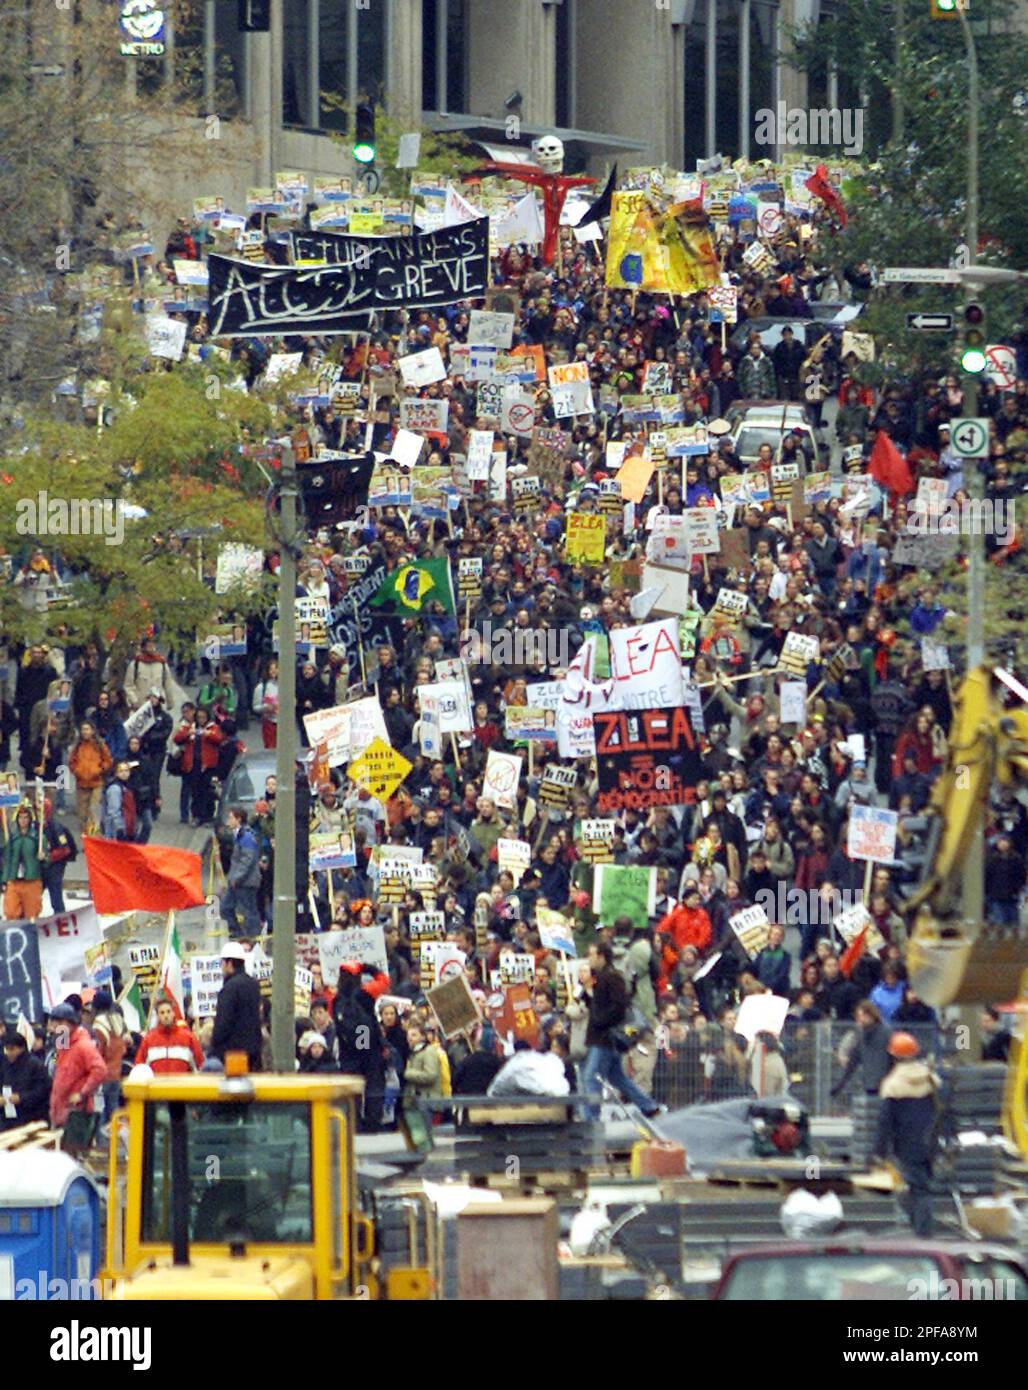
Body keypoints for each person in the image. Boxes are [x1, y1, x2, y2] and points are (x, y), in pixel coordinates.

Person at [580, 941, 661, 1118]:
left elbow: (618, 1005)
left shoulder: (612, 977)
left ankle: (591, 1119)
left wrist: (602, 1020)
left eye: (591, 954)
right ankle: (648, 1106)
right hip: (602, 1036)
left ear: (601, 956)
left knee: (591, 1077)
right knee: (618, 1078)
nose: (589, 959)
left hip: (605, 1037)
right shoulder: (600, 977)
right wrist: (586, 992)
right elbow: (596, 1004)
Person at [873, 1032, 940, 1238]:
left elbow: (885, 1122)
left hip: (906, 1144)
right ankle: (922, 1228)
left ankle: (922, 1234)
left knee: (915, 1190)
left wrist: (879, 1151)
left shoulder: (892, 1084)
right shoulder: (929, 1078)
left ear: (894, 1056)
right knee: (922, 1187)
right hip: (930, 1143)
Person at [48, 1002, 106, 1156]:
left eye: (60, 1022)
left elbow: (100, 1069)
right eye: (54, 1022)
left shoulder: (83, 1045)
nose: (56, 1027)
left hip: (76, 1114)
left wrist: (82, 1093)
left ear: (71, 1023)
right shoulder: (63, 1044)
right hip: (61, 1112)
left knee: (73, 1158)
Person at [211, 943, 263, 1070]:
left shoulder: (230, 988)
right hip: (253, 1052)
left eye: (222, 963)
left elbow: (223, 1022)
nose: (221, 967)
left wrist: (214, 1043)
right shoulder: (253, 985)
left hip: (232, 1054)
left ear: (229, 964)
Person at [830, 1000, 893, 1098]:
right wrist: (840, 1085)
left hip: (887, 1085)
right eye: (858, 1016)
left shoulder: (886, 1032)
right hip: (869, 1083)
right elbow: (853, 1062)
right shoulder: (861, 1034)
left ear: (871, 1015)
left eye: (863, 1015)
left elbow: (894, 1058)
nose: (860, 1019)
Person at [2, 803, 48, 922]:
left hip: (31, 881)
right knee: (11, 912)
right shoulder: (12, 838)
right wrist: (4, 879)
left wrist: (43, 857)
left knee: (32, 914)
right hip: (14, 880)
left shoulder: (38, 838)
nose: (23, 820)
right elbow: (8, 860)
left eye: (26, 817)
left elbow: (47, 862)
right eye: (20, 817)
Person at [221, 807, 262, 937]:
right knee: (225, 907)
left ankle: (253, 937)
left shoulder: (246, 837)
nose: (228, 821)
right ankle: (238, 933)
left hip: (246, 882)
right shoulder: (239, 835)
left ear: (238, 819)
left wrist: (236, 878)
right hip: (237, 881)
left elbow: (247, 861)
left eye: (231, 818)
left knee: (249, 912)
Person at [90, 989, 131, 1117]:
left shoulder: (98, 1025)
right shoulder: (118, 1020)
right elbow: (126, 1045)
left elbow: (97, 1053)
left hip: (103, 1076)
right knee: (114, 1112)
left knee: (101, 1114)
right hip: (117, 1072)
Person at [0, 1026, 50, 1130]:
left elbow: (43, 1090)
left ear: (21, 1048)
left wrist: (22, 1098)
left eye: (12, 1049)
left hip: (31, 1117)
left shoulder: (36, 1065)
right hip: (7, 1117)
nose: (9, 1053)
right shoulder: (4, 1063)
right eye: (7, 1049)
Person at [136, 998, 205, 1073]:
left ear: (173, 1013)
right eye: (162, 1013)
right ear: (158, 1016)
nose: (166, 1015)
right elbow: (139, 1068)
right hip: (156, 1084)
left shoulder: (188, 1038)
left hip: (182, 1084)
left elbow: (200, 1066)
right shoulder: (148, 1040)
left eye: (168, 1012)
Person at [68, 719, 113, 833]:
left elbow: (108, 760)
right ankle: (85, 839)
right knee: (82, 814)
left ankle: (94, 839)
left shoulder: (99, 745)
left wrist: (99, 770)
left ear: (93, 731)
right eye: (83, 729)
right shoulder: (78, 746)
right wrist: (77, 771)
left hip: (96, 783)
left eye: (87, 729)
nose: (85, 732)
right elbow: (71, 762)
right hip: (81, 784)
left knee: (93, 812)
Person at [753, 923, 792, 996]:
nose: (776, 937)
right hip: (759, 988)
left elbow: (782, 975)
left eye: (779, 935)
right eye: (774, 934)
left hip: (777, 991)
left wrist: (769, 987)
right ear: (769, 935)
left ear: (782, 938)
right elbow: (756, 969)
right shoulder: (761, 952)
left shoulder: (786, 956)